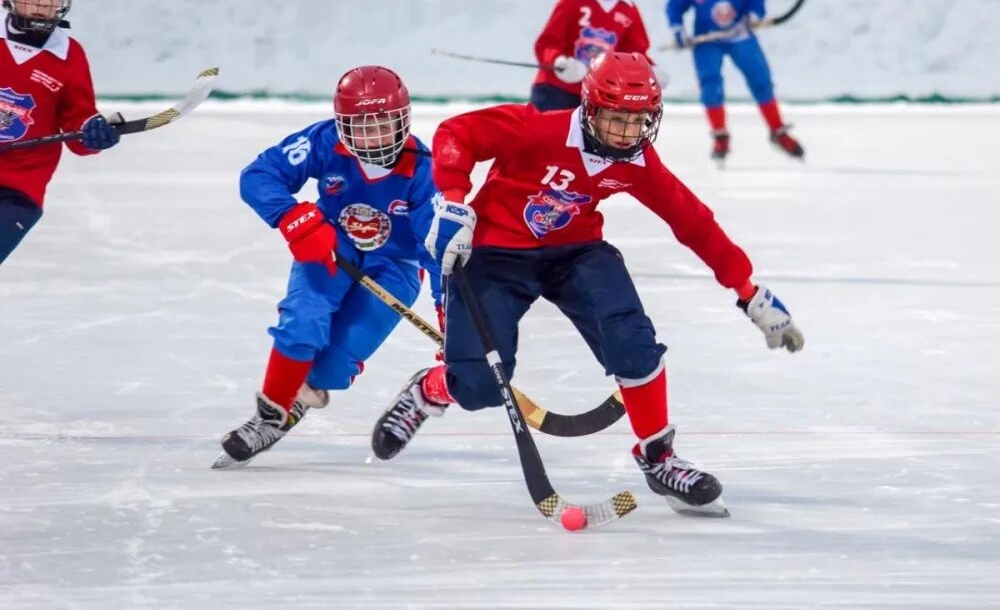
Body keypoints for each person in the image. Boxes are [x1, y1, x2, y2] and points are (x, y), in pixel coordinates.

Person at [371, 52, 804, 516]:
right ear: (590, 109)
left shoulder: (637, 160)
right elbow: (457, 134)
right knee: (478, 388)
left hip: (575, 253)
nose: (626, 133)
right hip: (495, 253)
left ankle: (658, 456)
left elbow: (693, 222)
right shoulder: (540, 127)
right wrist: (454, 201)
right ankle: (430, 389)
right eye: (617, 119)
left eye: (639, 120)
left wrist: (748, 292)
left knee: (632, 343)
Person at [214, 66, 443, 468]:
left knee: (334, 367)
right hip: (329, 245)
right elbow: (260, 175)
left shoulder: (426, 172)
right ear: (342, 125)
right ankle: (271, 415)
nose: (374, 138)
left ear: (403, 119)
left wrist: (450, 315)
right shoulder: (324, 140)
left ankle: (300, 396)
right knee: (302, 323)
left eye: (384, 125)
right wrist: (294, 219)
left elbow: (440, 251)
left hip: (396, 265)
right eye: (361, 127)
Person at [0, 0, 119, 266]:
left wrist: (93, 133)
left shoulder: (69, 55)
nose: (42, 1)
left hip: (17, 192)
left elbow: (79, 129)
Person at [666, 0, 803, 163]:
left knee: (761, 80)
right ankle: (720, 135)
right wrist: (678, 29)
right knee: (710, 86)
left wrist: (755, 14)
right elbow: (674, 6)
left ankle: (777, 130)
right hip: (707, 40)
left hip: (741, 35)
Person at [529, 0, 663, 112]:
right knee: (545, 127)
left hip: (597, 95)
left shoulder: (628, 9)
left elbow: (634, 54)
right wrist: (558, 61)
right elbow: (547, 42)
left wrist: (648, 70)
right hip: (554, 90)